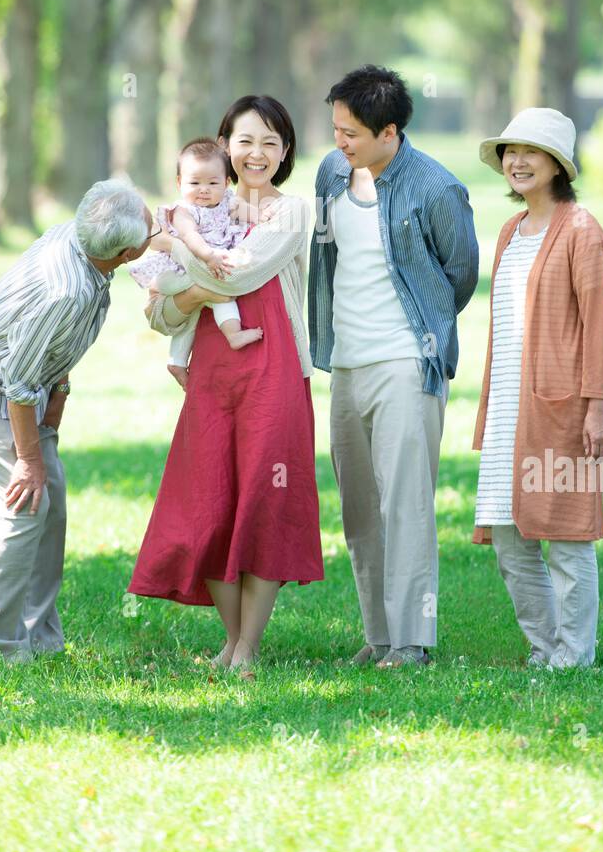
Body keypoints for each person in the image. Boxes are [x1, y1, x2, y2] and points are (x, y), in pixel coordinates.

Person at [128, 96, 323, 672]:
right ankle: (231, 639)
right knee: (208, 500)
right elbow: (158, 312)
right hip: (211, 378)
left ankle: (250, 646)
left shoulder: (290, 214)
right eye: (244, 141)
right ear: (224, 145)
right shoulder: (202, 202)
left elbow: (239, 273)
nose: (255, 153)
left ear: (285, 151)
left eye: (269, 142)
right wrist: (181, 281)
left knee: (265, 497)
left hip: (274, 370)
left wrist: (178, 266)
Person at [0, 180, 157, 664]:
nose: (153, 217)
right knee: (23, 503)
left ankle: (40, 636)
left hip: (20, 384)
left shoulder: (80, 243)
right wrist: (27, 458)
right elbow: (16, 381)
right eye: (145, 219)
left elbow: (50, 348)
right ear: (124, 251)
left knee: (50, 502)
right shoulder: (66, 290)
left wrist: (61, 390)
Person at [308, 64, 479, 668]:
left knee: (406, 505)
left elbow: (460, 276)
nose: (340, 142)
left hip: (409, 363)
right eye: (336, 128)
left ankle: (414, 641)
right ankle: (380, 635)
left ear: (390, 132)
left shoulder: (436, 188)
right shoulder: (332, 174)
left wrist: (421, 330)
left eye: (351, 132)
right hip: (347, 365)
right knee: (360, 510)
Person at [472, 107, 603, 669]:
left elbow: (597, 326)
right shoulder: (510, 230)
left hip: (562, 408)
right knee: (510, 541)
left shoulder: (582, 230)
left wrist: (596, 408)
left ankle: (574, 656)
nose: (518, 161)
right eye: (511, 151)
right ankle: (546, 645)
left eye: (532, 151)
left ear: (558, 164)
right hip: (510, 406)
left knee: (569, 536)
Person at [129, 137, 270, 388]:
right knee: (213, 293)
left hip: (205, 268)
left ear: (227, 183)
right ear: (179, 183)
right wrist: (208, 255)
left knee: (201, 311)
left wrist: (261, 216)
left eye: (212, 183)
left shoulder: (227, 201)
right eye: (195, 183)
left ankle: (186, 356)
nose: (203, 189)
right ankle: (192, 349)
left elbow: (245, 211)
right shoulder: (184, 211)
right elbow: (190, 236)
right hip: (178, 272)